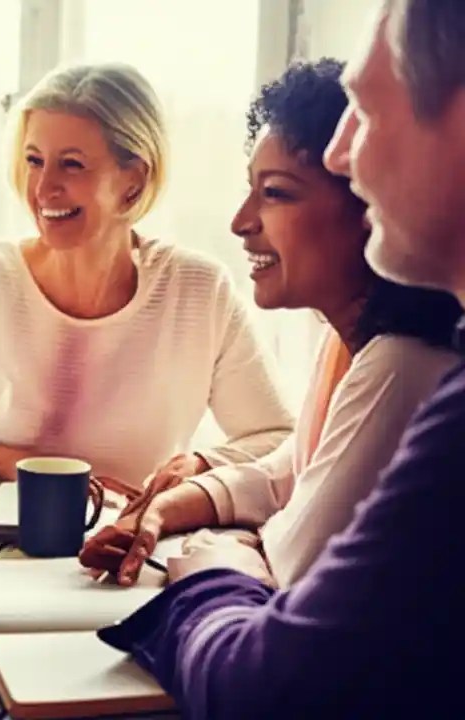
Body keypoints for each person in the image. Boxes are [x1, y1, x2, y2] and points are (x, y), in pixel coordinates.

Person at [96, 2, 465, 716]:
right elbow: (289, 474)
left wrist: (220, 563)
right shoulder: (350, 343)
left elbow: (282, 602)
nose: (343, 153)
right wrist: (180, 507)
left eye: (368, 110)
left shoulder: (409, 369)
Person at [0, 63, 292, 490]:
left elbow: (280, 443)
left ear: (133, 181)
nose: (42, 188)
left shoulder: (200, 292)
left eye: (72, 164)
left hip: (133, 553)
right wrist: (5, 462)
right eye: (35, 160)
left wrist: (202, 465)